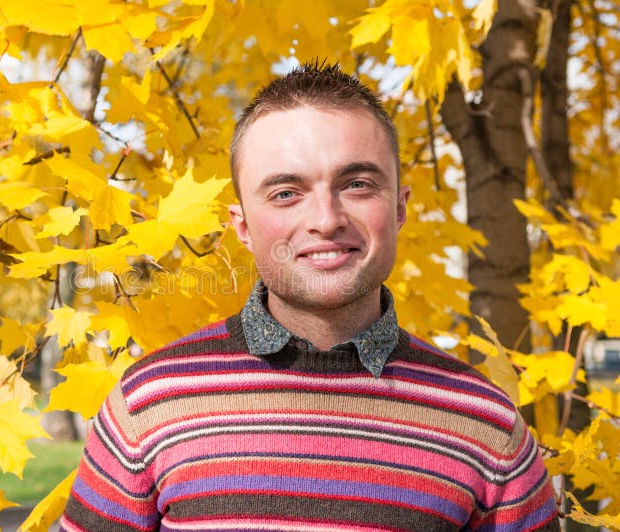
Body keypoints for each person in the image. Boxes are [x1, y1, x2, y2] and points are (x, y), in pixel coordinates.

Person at [60, 63, 560, 531]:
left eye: (357, 184)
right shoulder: (149, 404)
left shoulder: (488, 427)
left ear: (399, 207)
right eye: (285, 193)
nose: (326, 219)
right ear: (242, 226)